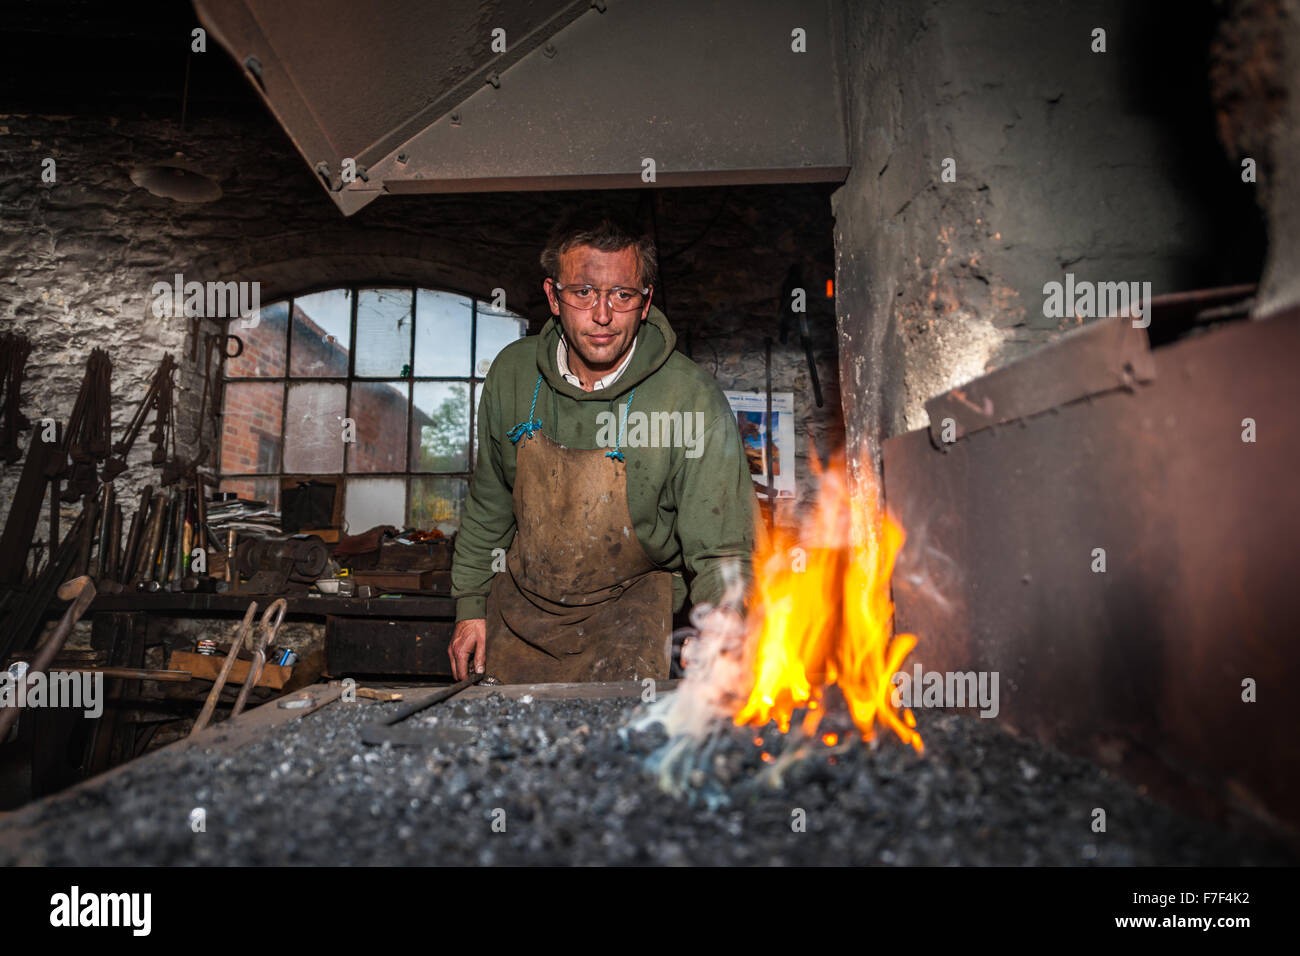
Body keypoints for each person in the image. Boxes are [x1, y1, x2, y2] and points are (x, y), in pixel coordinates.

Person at [448, 207, 758, 682]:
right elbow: (489, 505)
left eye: (622, 294)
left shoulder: (688, 397)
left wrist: (724, 624)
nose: (603, 315)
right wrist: (470, 606)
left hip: (632, 625)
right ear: (553, 296)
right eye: (584, 292)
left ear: (646, 299)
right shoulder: (512, 376)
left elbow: (722, 551)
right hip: (519, 620)